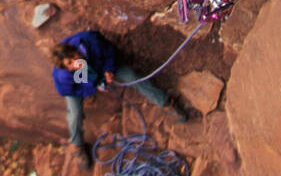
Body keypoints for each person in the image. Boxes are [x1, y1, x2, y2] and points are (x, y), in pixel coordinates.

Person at [51, 29, 184, 166]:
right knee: (75, 114)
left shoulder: (90, 41)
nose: (75, 62)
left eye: (74, 56)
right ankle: (77, 145)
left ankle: (166, 103)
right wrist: (94, 86)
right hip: (84, 83)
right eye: (69, 63)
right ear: (65, 68)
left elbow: (109, 50)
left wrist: (109, 69)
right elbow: (73, 91)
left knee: (132, 77)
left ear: (75, 50)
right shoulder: (63, 77)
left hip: (102, 66)